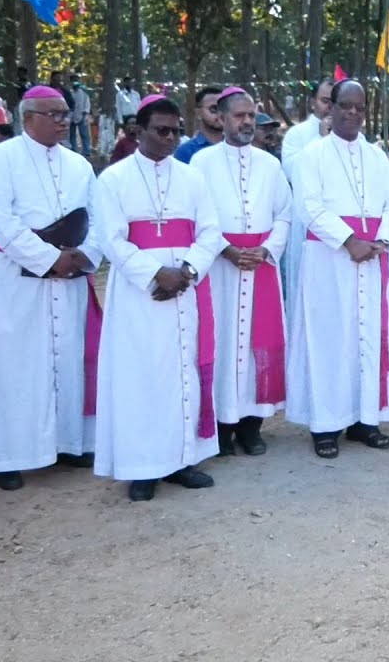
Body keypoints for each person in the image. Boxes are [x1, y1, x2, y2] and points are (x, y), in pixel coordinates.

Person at [0, 85, 104, 491]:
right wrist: (46, 259)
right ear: (28, 118)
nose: (64, 121)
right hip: (15, 281)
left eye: (65, 114)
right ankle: (6, 455)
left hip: (70, 280)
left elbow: (97, 217)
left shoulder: (79, 164)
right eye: (54, 114)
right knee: (13, 366)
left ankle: (68, 442)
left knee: (68, 361)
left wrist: (83, 256)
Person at [93, 95, 222, 501]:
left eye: (175, 131)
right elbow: (110, 240)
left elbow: (211, 232)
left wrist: (185, 272)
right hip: (138, 294)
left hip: (185, 289)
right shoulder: (113, 179)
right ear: (138, 131)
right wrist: (155, 275)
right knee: (141, 376)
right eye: (161, 130)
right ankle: (143, 466)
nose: (169, 138)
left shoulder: (192, 178)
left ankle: (184, 459)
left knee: (182, 371)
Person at [286, 80, 389, 459]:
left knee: (367, 339)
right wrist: (349, 240)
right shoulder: (311, 155)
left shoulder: (377, 156)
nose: (353, 113)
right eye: (345, 106)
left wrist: (382, 241)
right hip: (329, 259)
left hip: (371, 258)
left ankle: (365, 420)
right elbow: (310, 207)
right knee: (329, 341)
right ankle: (325, 425)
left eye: (359, 107)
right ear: (330, 108)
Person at [190, 88, 292, 456]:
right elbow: (197, 216)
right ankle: (220, 427)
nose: (247, 122)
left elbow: (284, 213)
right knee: (222, 341)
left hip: (261, 264)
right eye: (239, 115)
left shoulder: (270, 164)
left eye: (252, 115)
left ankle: (253, 425)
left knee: (257, 344)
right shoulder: (201, 162)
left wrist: (266, 249)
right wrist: (226, 249)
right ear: (221, 116)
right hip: (221, 267)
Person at [280, 79, 334, 307]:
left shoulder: (353, 137)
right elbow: (293, 173)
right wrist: (321, 139)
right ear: (313, 103)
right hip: (307, 225)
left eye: (336, 102)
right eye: (325, 101)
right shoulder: (297, 134)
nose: (330, 107)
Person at [173, 86, 223, 164]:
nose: (220, 114)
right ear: (198, 113)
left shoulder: (235, 147)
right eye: (214, 109)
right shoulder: (186, 151)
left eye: (223, 109)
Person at [67, 74, 92, 156]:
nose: (75, 82)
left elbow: (87, 103)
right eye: (73, 80)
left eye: (76, 80)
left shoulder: (84, 92)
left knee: (84, 134)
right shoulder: (68, 92)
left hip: (82, 114)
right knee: (72, 134)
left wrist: (85, 112)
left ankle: (86, 151)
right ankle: (74, 150)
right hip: (71, 115)